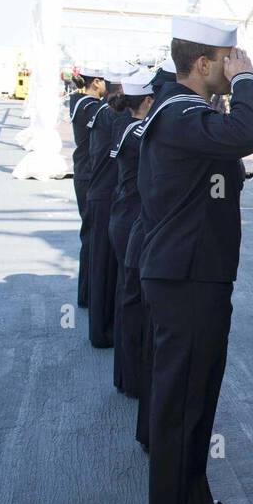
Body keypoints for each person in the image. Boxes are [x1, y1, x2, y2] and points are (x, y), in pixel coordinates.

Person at [138, 18, 253, 504]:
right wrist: (248, 81)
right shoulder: (180, 113)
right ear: (202, 64)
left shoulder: (181, 113)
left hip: (190, 274)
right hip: (188, 278)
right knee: (185, 405)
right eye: (227, 58)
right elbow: (250, 133)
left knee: (192, 401)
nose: (233, 64)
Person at [129, 57, 177, 452]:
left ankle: (150, 431)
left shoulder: (153, 124)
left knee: (154, 353)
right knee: (167, 362)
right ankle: (157, 438)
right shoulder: (171, 125)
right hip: (167, 259)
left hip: (150, 248)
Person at [108, 69, 155, 397]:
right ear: (149, 100)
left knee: (128, 299)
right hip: (133, 223)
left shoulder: (124, 126)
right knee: (136, 302)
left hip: (122, 217)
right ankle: (135, 378)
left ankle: (126, 375)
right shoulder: (141, 132)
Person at [84, 69, 125, 348]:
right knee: (104, 268)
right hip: (107, 197)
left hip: (99, 193)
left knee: (99, 263)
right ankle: (101, 332)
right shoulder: (115, 118)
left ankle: (98, 323)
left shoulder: (102, 112)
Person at [66, 71, 107, 308]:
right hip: (89, 175)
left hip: (84, 172)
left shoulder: (79, 102)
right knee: (92, 237)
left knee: (89, 236)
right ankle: (89, 295)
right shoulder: (90, 107)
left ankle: (87, 294)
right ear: (96, 82)